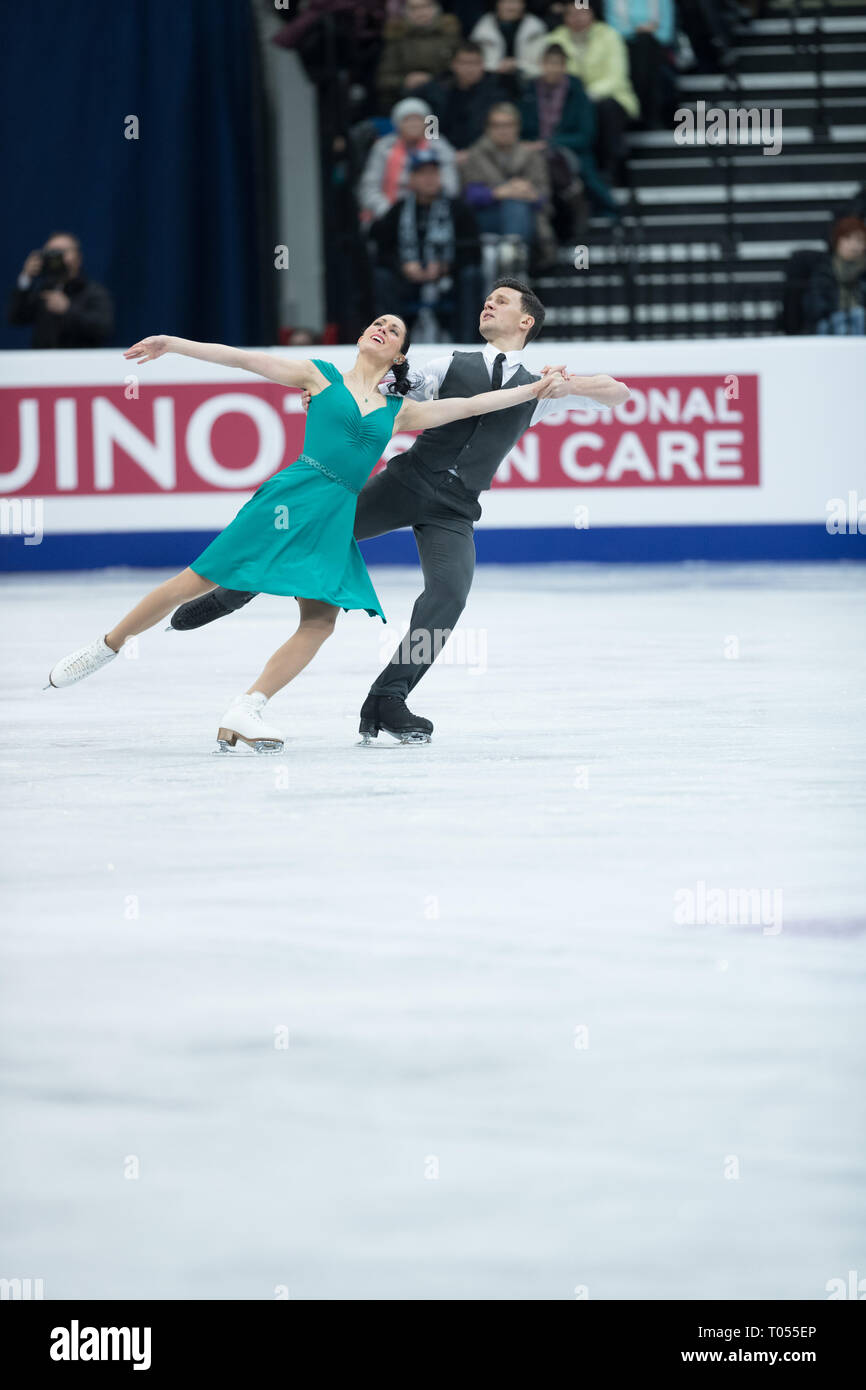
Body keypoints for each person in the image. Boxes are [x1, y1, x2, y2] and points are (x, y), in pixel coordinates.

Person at [46, 316, 559, 751]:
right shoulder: (319, 376)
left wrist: (533, 390)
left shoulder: (397, 411)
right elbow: (242, 359)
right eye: (376, 323)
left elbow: (470, 407)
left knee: (319, 622)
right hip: (292, 498)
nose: (381, 328)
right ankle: (107, 646)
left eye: (393, 330)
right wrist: (174, 344)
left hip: (337, 513)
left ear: (401, 355)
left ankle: (248, 707)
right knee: (194, 580)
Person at [170, 280, 631, 744]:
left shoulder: (540, 390)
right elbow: (369, 389)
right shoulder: (449, 363)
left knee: (449, 595)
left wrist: (560, 384)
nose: (488, 303)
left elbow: (617, 393)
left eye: (502, 301)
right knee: (309, 528)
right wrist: (319, 397)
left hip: (455, 509)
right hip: (404, 483)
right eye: (487, 298)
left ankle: (388, 698)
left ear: (526, 321)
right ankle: (233, 593)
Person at [369, 149, 482, 341]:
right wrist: (403, 266)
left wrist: (446, 266)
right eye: (422, 174)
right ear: (411, 179)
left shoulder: (458, 209)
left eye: (433, 173)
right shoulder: (399, 210)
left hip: (449, 278)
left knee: (471, 275)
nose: (429, 179)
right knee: (382, 277)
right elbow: (381, 247)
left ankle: (468, 342)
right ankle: (389, 341)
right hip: (407, 278)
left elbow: (473, 248)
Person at [536, 1, 639, 184]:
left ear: (591, 14)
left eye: (582, 13)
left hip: (610, 96)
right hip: (570, 100)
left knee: (605, 108)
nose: (578, 18)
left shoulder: (609, 35)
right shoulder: (554, 40)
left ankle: (612, 167)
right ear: (565, 17)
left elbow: (616, 76)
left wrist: (587, 96)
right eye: (572, 14)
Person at [519, 43, 616, 227]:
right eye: (549, 63)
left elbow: (586, 135)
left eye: (558, 64)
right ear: (541, 64)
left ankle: (600, 210)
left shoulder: (577, 93)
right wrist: (530, 145)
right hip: (532, 150)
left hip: (570, 149)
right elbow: (521, 128)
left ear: (565, 66)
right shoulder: (529, 92)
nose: (553, 69)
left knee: (571, 169)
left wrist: (550, 143)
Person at [461, 102, 556, 269]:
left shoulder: (531, 156)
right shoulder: (475, 155)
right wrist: (501, 192)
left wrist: (528, 194)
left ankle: (511, 257)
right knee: (515, 204)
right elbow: (471, 197)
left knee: (516, 206)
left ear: (517, 127)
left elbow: (543, 198)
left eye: (508, 125)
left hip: (528, 220)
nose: (503, 130)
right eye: (497, 125)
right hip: (487, 218)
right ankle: (514, 263)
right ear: (488, 128)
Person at [359, 97, 460, 223]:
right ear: (397, 124)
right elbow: (369, 188)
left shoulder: (439, 146)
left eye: (418, 119)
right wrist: (391, 213)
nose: (413, 124)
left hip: (433, 214)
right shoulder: (383, 147)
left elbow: (450, 186)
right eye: (407, 120)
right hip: (387, 214)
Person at [8, 232, 114, 349]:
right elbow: (16, 317)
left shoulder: (93, 292)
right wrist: (26, 278)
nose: (56, 257)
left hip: (80, 362)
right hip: (42, 362)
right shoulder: (42, 289)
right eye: (51, 252)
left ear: (78, 257)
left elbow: (102, 329)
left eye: (62, 251)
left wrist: (68, 310)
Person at [417, 41, 508, 151]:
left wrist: (472, 153)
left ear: (483, 65)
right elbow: (430, 128)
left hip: (483, 153)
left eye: (475, 63)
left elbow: (497, 130)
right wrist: (442, 151)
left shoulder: (495, 93)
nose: (470, 69)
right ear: (453, 64)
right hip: (442, 154)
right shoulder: (435, 92)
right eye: (464, 63)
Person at [603, 0, 677, 129]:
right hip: (625, 46)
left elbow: (666, 33)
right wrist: (637, 31)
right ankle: (652, 114)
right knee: (642, 49)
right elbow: (613, 29)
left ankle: (641, 112)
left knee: (646, 46)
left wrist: (645, 33)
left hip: (656, 46)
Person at [376, 0, 462, 111]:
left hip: (445, 98)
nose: (421, 12)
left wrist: (432, 81)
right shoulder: (396, 39)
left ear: (436, 8)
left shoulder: (451, 37)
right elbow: (383, 79)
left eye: (426, 6)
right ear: (405, 12)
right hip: (404, 100)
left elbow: (460, 74)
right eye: (414, 8)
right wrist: (405, 81)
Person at [469, 0, 549, 97]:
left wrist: (518, 65)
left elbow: (544, 67)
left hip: (529, 86)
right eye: (506, 1)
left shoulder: (536, 28)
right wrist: (497, 66)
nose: (511, 7)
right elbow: (473, 63)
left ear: (523, 4)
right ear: (497, 4)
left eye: (515, 2)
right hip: (489, 86)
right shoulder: (483, 28)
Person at [803, 216, 866, 335]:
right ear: (837, 241)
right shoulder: (825, 269)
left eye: (860, 240)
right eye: (848, 238)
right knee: (839, 322)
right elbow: (815, 304)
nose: (854, 245)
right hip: (832, 320)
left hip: (861, 320)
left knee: (859, 315)